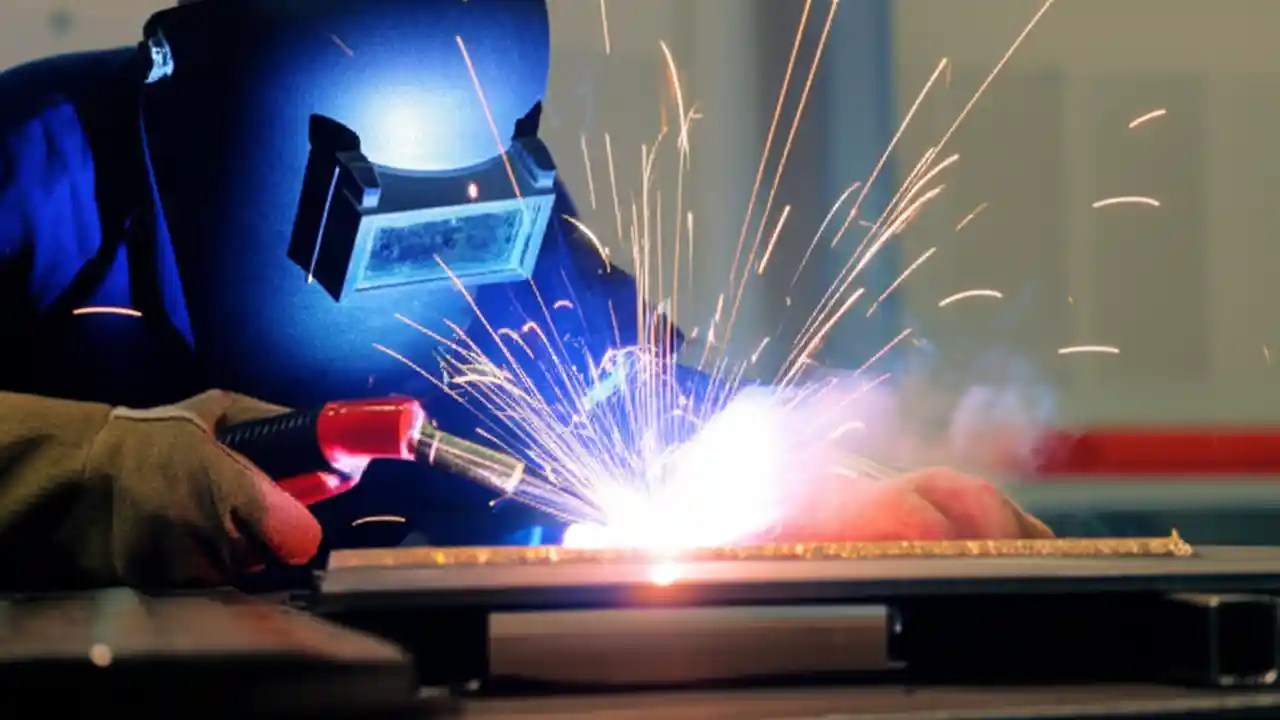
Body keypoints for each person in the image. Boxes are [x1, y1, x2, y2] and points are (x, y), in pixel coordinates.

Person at [0, 0, 1050, 591]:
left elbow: (644, 392)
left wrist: (802, 481)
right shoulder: (35, 167)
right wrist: (101, 474)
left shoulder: (500, 208)